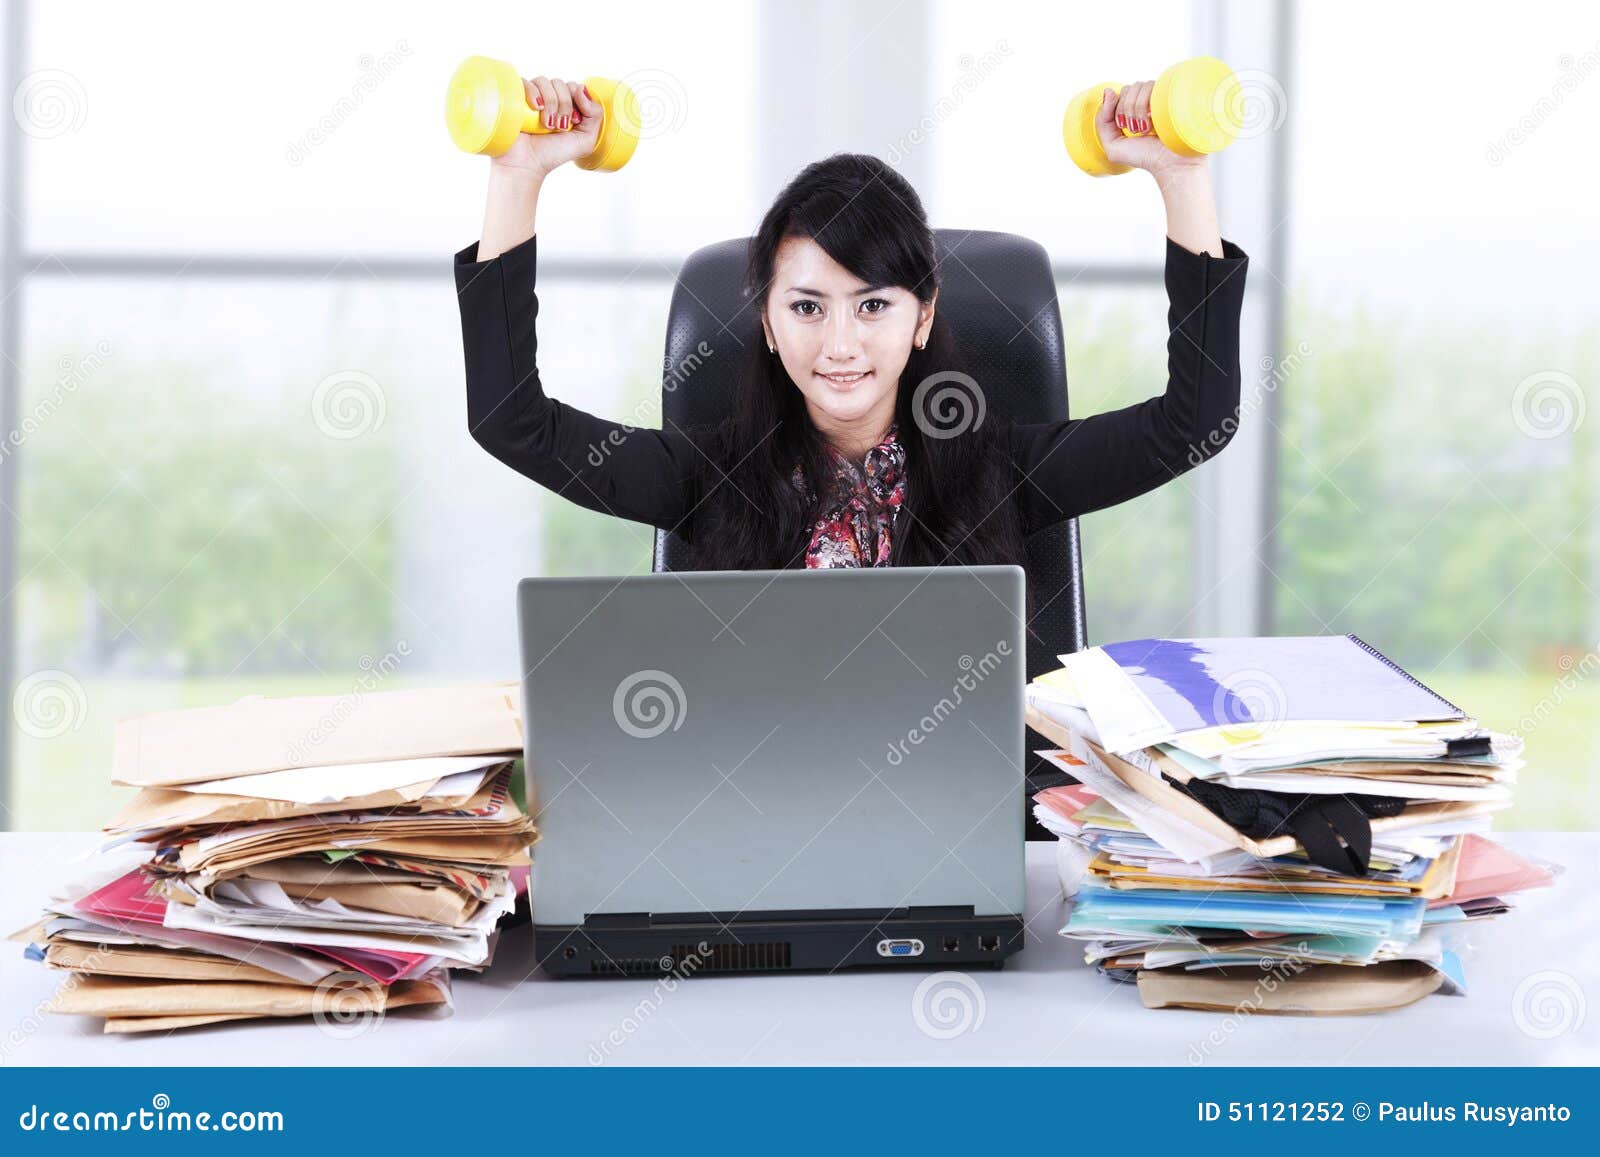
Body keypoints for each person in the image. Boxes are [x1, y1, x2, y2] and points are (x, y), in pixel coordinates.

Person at [454, 76, 1249, 580]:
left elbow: (1195, 423)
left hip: (958, 792)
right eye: (807, 307)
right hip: (756, 791)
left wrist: (1179, 175)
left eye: (873, 306)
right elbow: (512, 423)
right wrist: (518, 174)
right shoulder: (710, 475)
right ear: (767, 322)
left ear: (923, 315)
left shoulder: (998, 470)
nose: (840, 345)